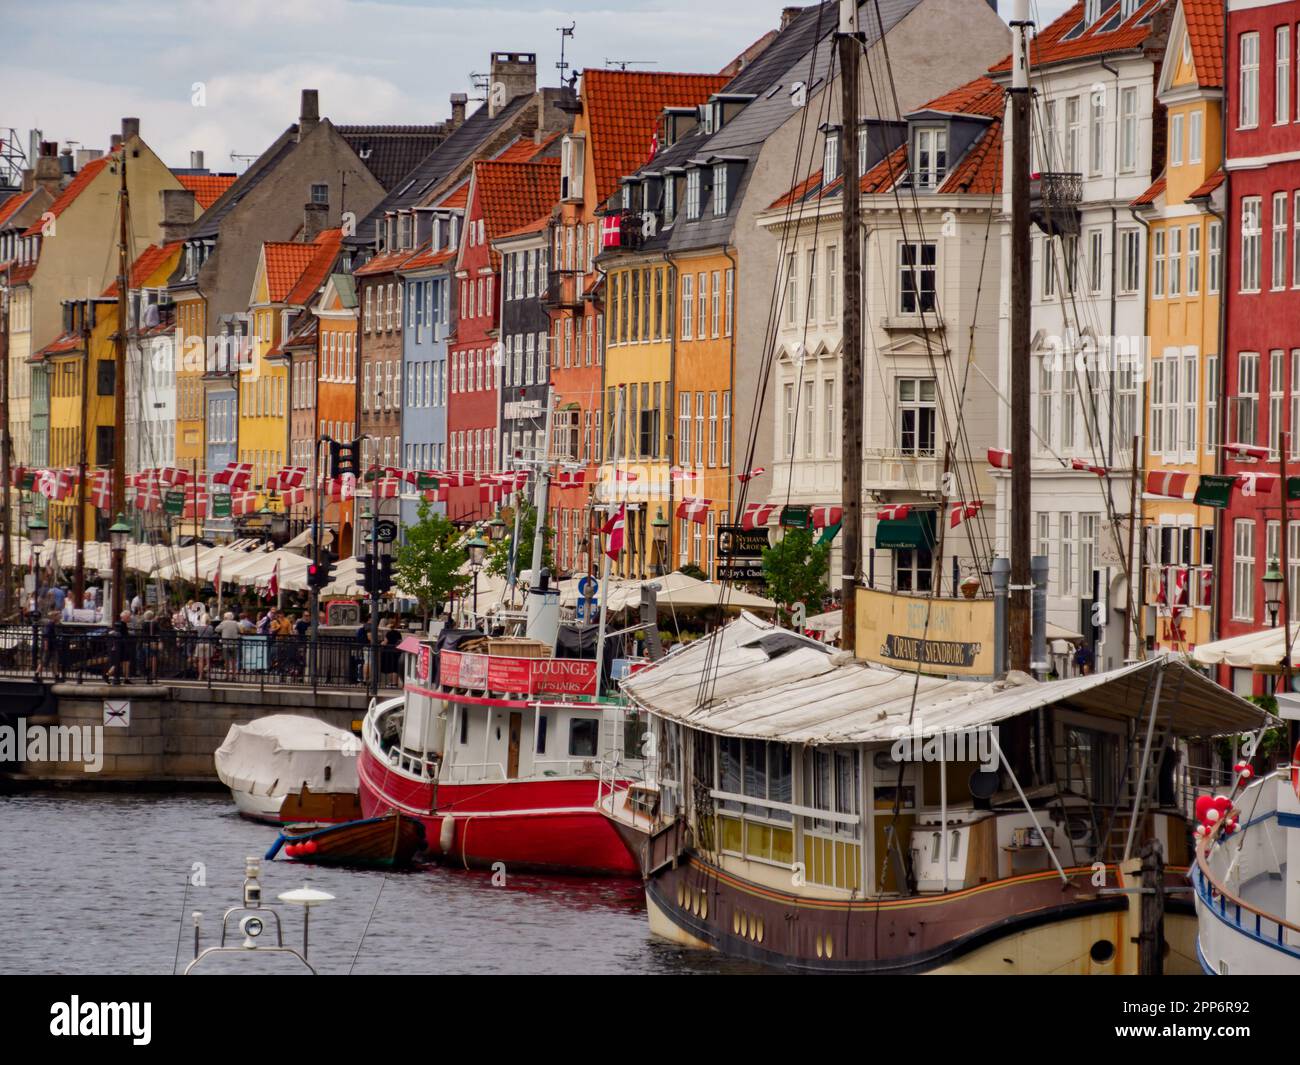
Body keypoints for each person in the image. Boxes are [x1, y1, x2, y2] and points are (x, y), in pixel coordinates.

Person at [104, 610, 134, 684]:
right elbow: (119, 634)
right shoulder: (121, 624)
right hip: (121, 646)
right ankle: (107, 675)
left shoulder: (121, 624)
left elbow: (117, 633)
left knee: (126, 662)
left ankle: (126, 678)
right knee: (119, 663)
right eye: (129, 616)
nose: (130, 618)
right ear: (125, 617)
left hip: (122, 646)